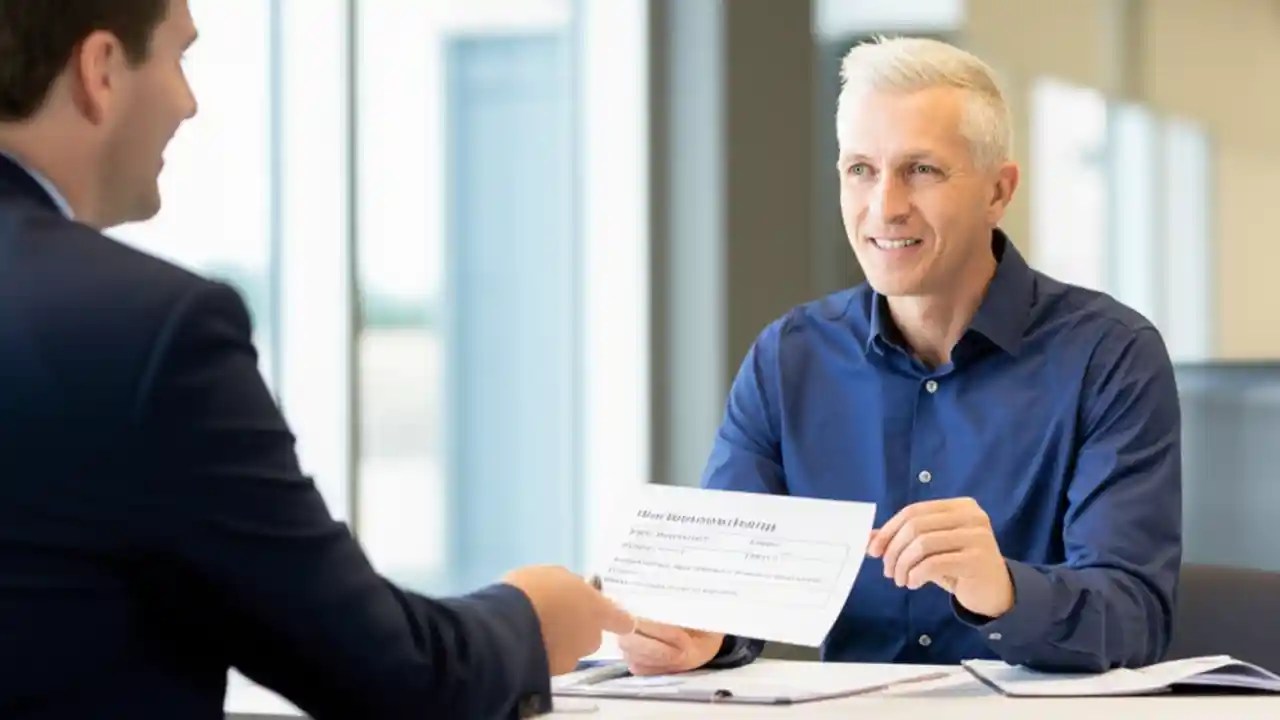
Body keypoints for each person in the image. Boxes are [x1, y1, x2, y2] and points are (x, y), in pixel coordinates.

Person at [0, 1, 631, 718]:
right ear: (100, 71)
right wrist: (531, 619)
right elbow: (386, 673)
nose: (189, 102)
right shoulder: (146, 329)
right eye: (179, 58)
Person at [619, 36, 1181, 676]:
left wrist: (1002, 591)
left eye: (923, 170)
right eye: (861, 169)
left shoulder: (1109, 357)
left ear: (998, 192)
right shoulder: (788, 359)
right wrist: (698, 634)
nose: (884, 207)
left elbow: (1135, 618)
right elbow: (726, 592)